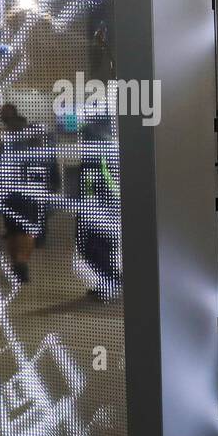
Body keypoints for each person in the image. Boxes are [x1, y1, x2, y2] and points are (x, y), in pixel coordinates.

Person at [0, 103, 60, 284]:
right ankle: (21, 262)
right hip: (28, 191)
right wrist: (52, 184)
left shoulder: (2, 139)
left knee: (14, 231)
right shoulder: (32, 138)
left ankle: (18, 263)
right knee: (26, 230)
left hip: (12, 192)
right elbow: (48, 162)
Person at [76, 113, 122, 300]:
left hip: (99, 208)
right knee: (99, 247)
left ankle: (110, 280)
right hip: (103, 207)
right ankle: (108, 281)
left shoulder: (97, 153)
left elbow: (98, 182)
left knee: (91, 246)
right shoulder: (106, 147)